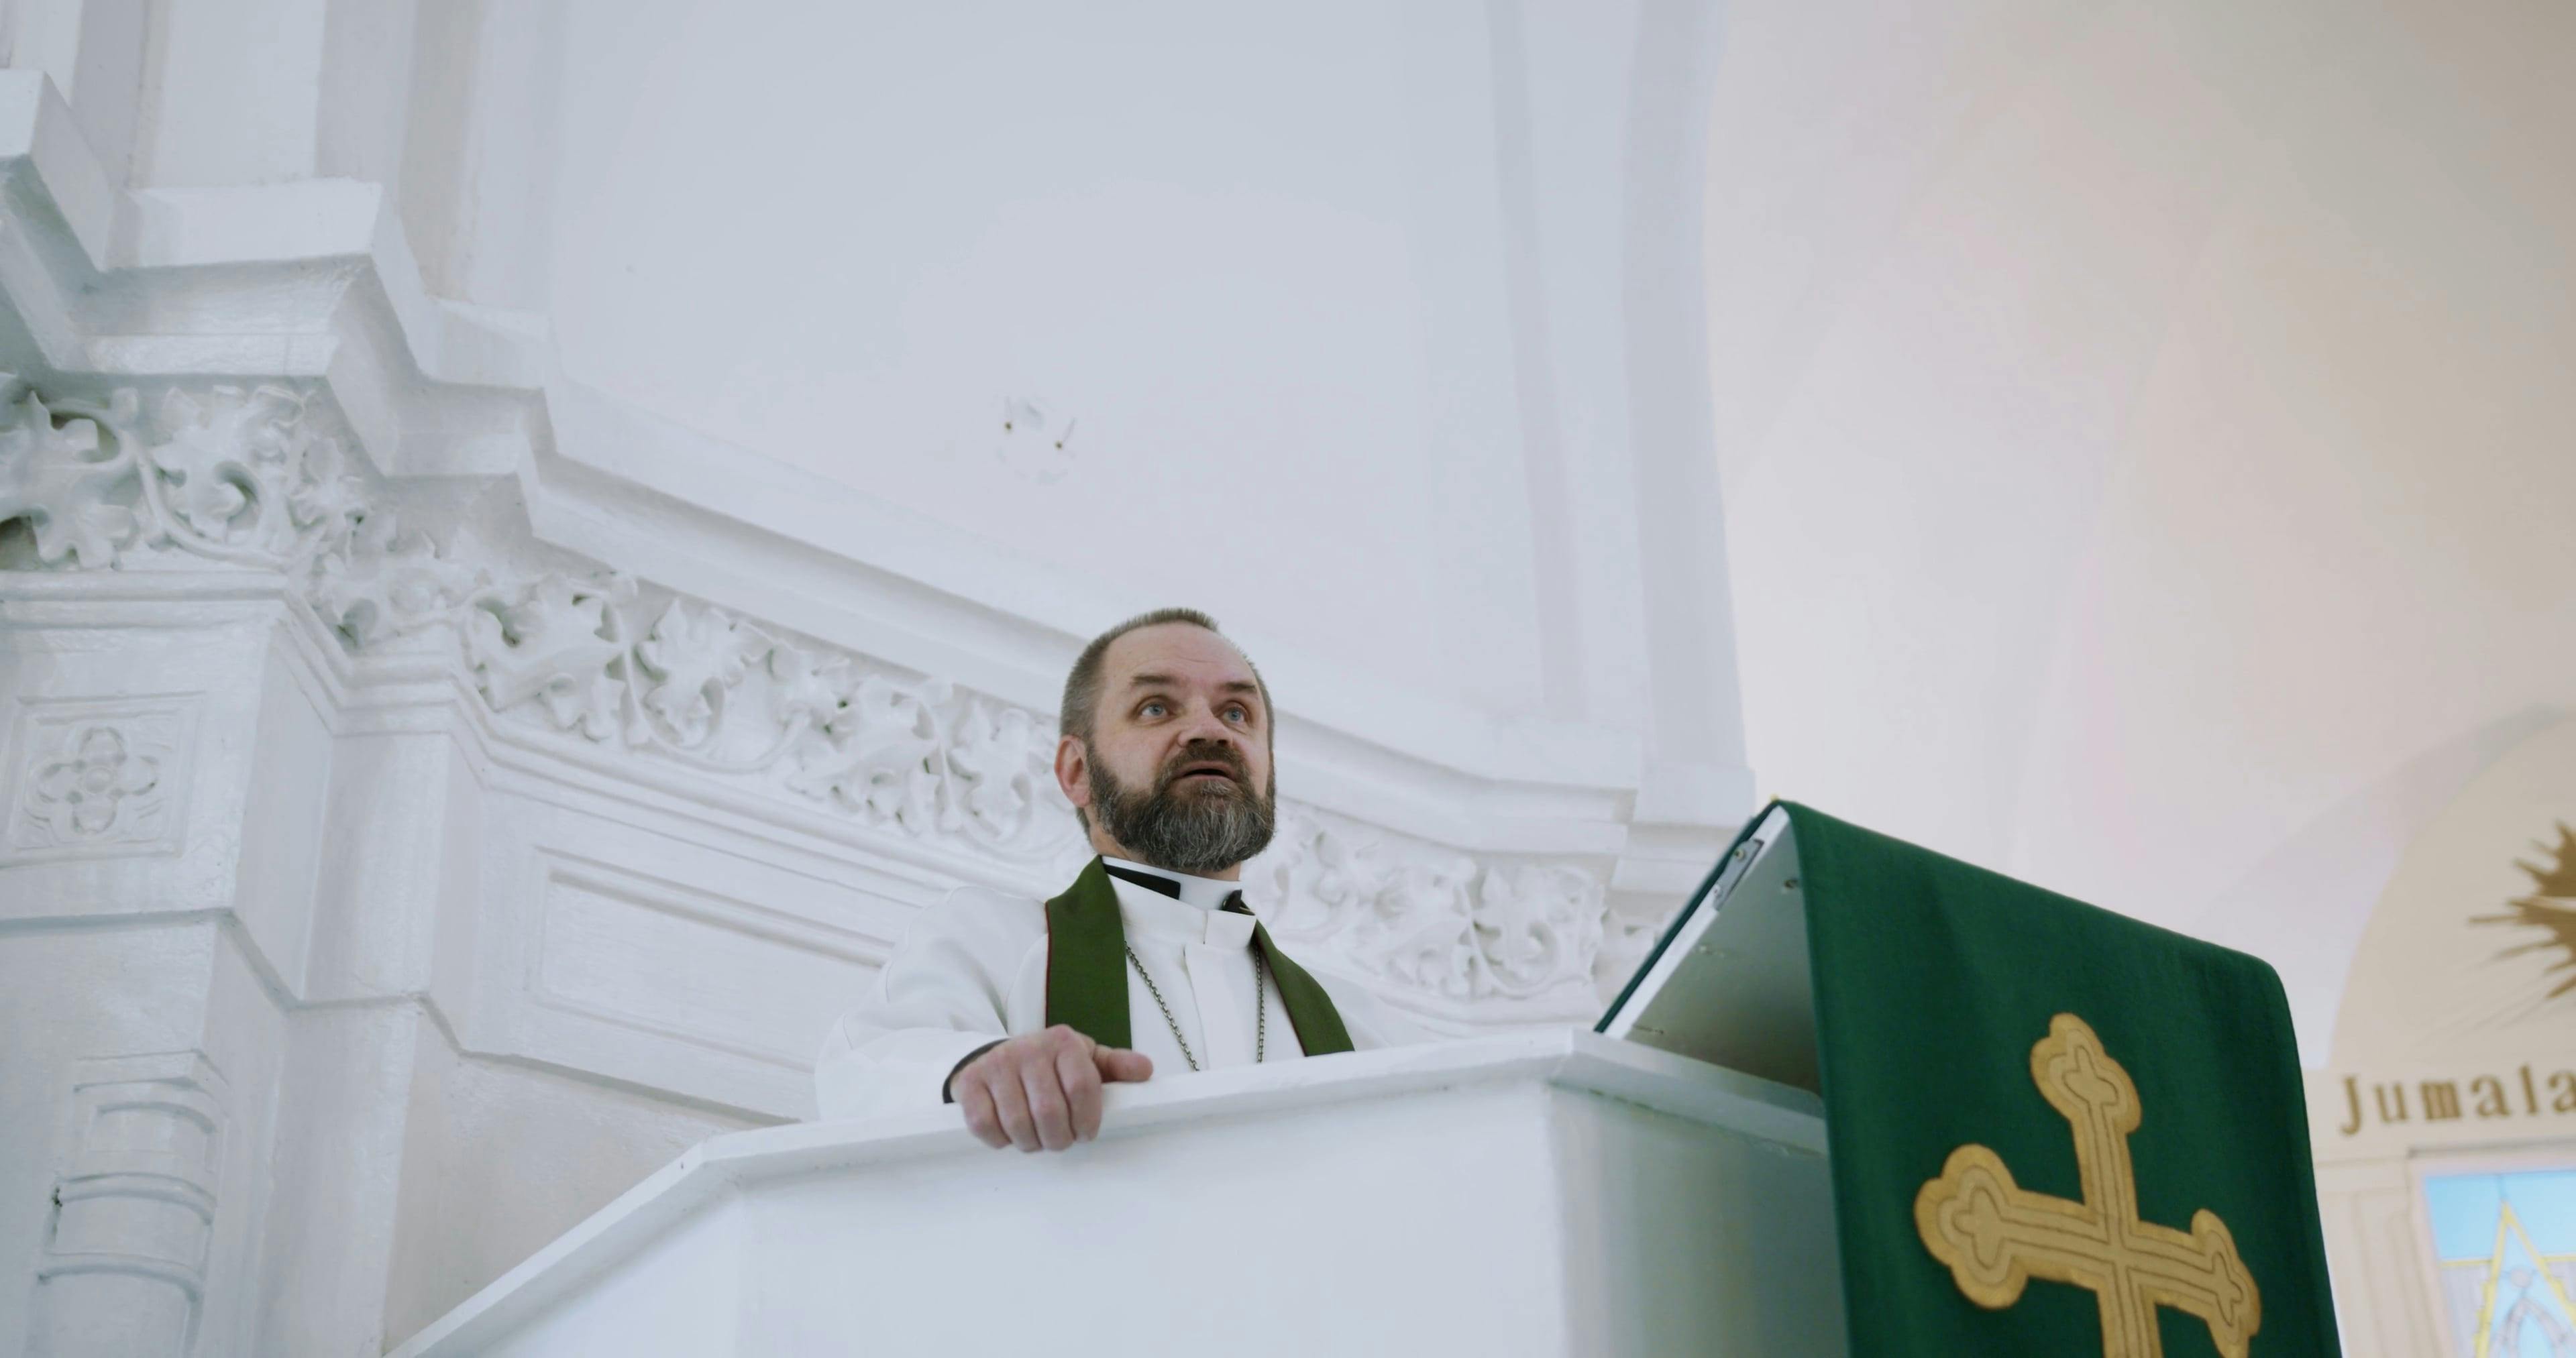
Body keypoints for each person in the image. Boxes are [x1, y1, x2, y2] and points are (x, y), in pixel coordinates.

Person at [813, 608, 1421, 1151]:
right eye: (1156, 707)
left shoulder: (1358, 1023)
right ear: (1077, 771)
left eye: (1236, 712)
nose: (1210, 730)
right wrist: (982, 1068)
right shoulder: (988, 942)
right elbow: (865, 1069)